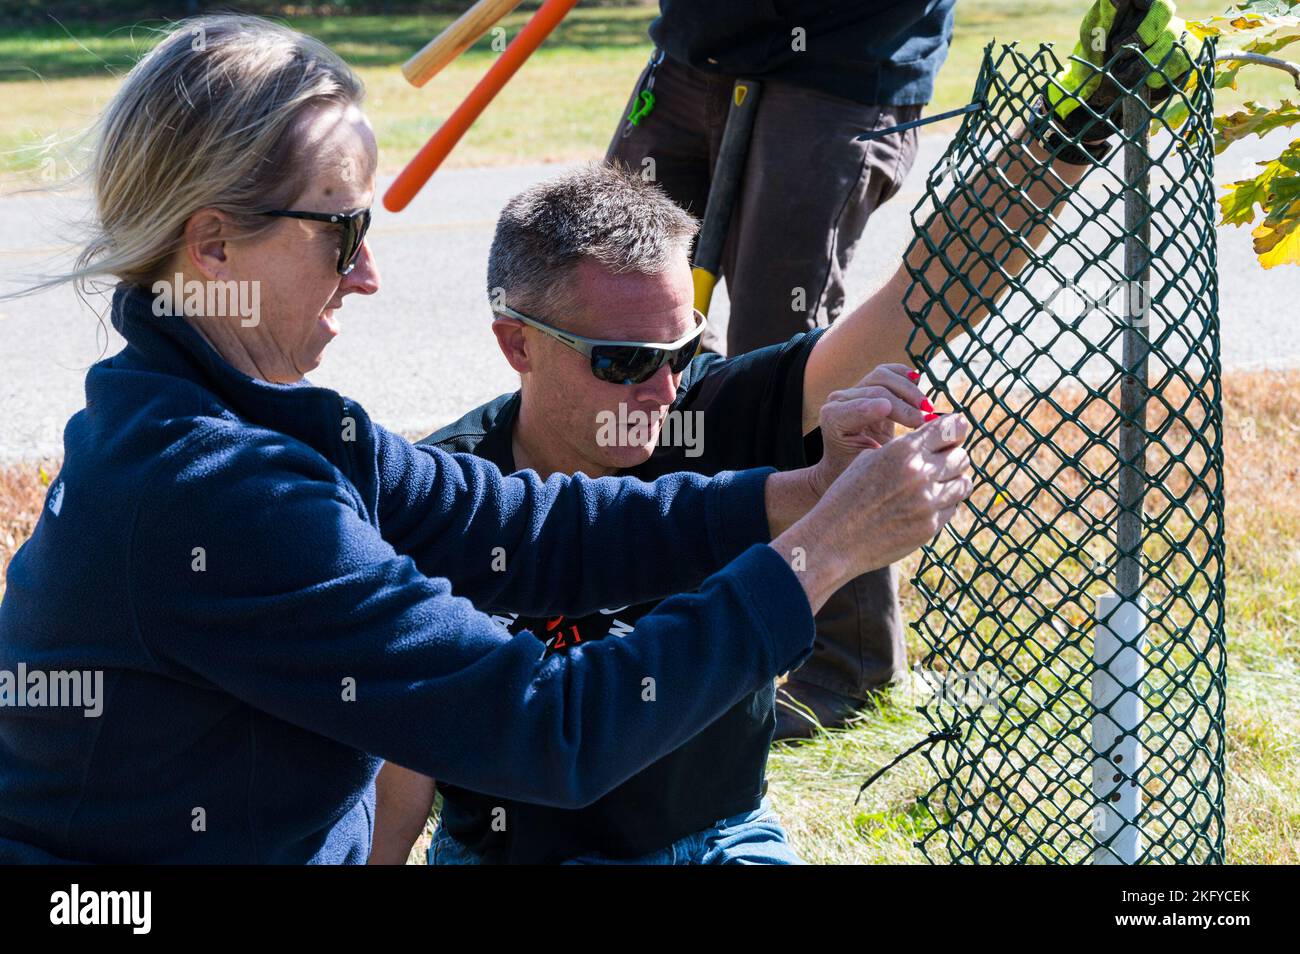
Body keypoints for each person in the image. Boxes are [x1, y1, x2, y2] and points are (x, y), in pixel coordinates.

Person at [0, 15, 972, 864]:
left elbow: (533, 529)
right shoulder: (219, 486)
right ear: (213, 245)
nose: (368, 272)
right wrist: (826, 549)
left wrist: (800, 496)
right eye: (340, 232)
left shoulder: (229, 410)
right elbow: (551, 728)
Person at [371, 0, 1204, 863]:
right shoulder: (448, 498)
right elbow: (400, 762)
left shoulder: (706, 412)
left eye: (681, 349)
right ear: (518, 344)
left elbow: (920, 303)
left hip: (721, 837)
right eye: (621, 362)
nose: (662, 389)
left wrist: (1071, 131)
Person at [606, 0, 958, 737]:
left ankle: (850, 664)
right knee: (615, 317)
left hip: (840, 55)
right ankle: (658, 614)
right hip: (700, 46)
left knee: (788, 366)